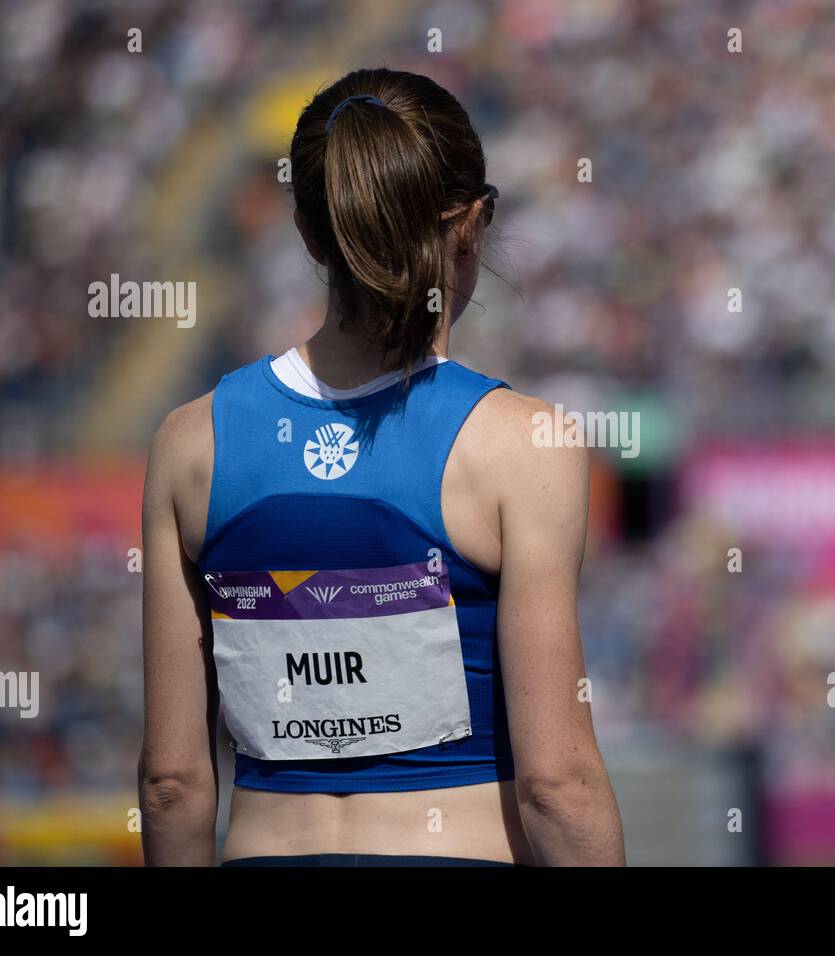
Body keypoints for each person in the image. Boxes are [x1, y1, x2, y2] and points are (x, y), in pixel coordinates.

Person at [138, 67, 624, 866]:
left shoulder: (190, 444)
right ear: (472, 222)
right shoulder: (522, 445)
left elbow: (172, 783)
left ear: (305, 232)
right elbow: (557, 786)